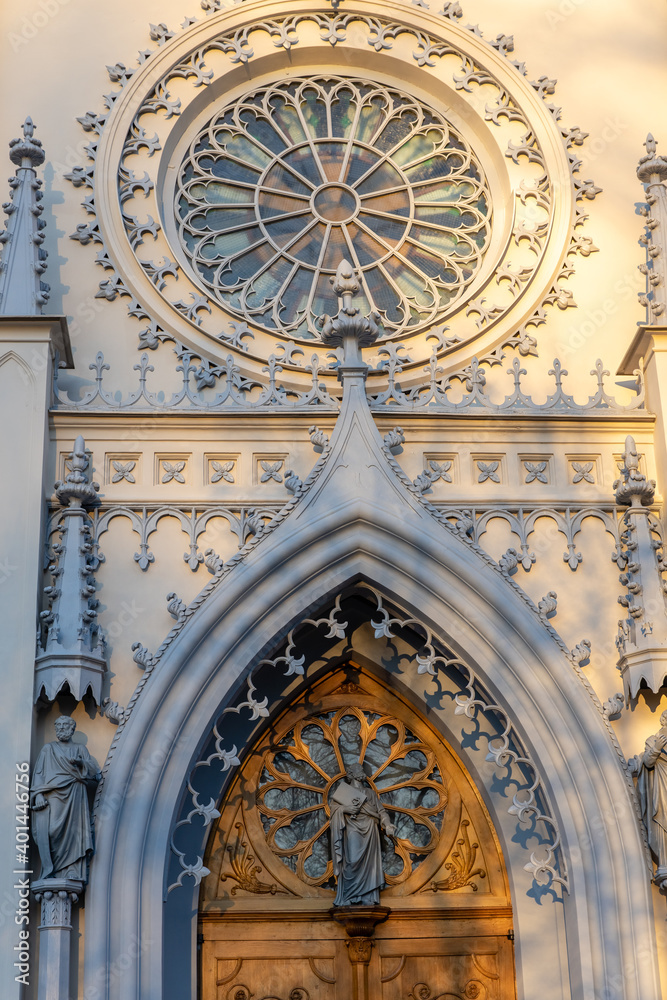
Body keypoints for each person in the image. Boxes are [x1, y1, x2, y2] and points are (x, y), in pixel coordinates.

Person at [31, 716, 100, 882]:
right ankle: (52, 868)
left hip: (76, 793)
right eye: (59, 725)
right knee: (52, 830)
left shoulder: (80, 749)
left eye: (65, 725)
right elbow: (39, 775)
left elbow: (94, 773)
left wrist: (81, 762)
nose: (61, 728)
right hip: (53, 795)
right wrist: (38, 794)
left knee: (75, 831)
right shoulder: (48, 750)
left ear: (72, 729)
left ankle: (72, 870)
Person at [330, 762, 395, 906]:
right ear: (351, 774)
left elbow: (381, 812)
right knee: (352, 860)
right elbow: (334, 811)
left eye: (361, 769)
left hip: (371, 829)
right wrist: (345, 809)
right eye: (357, 769)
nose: (361, 771)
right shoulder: (343, 793)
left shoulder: (370, 793)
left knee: (370, 865)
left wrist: (388, 824)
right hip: (352, 828)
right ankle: (349, 896)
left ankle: (367, 896)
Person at [631, 710, 667, 886]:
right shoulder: (654, 739)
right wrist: (656, 748)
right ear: (664, 721)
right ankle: (665, 863)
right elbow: (648, 762)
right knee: (661, 820)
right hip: (660, 788)